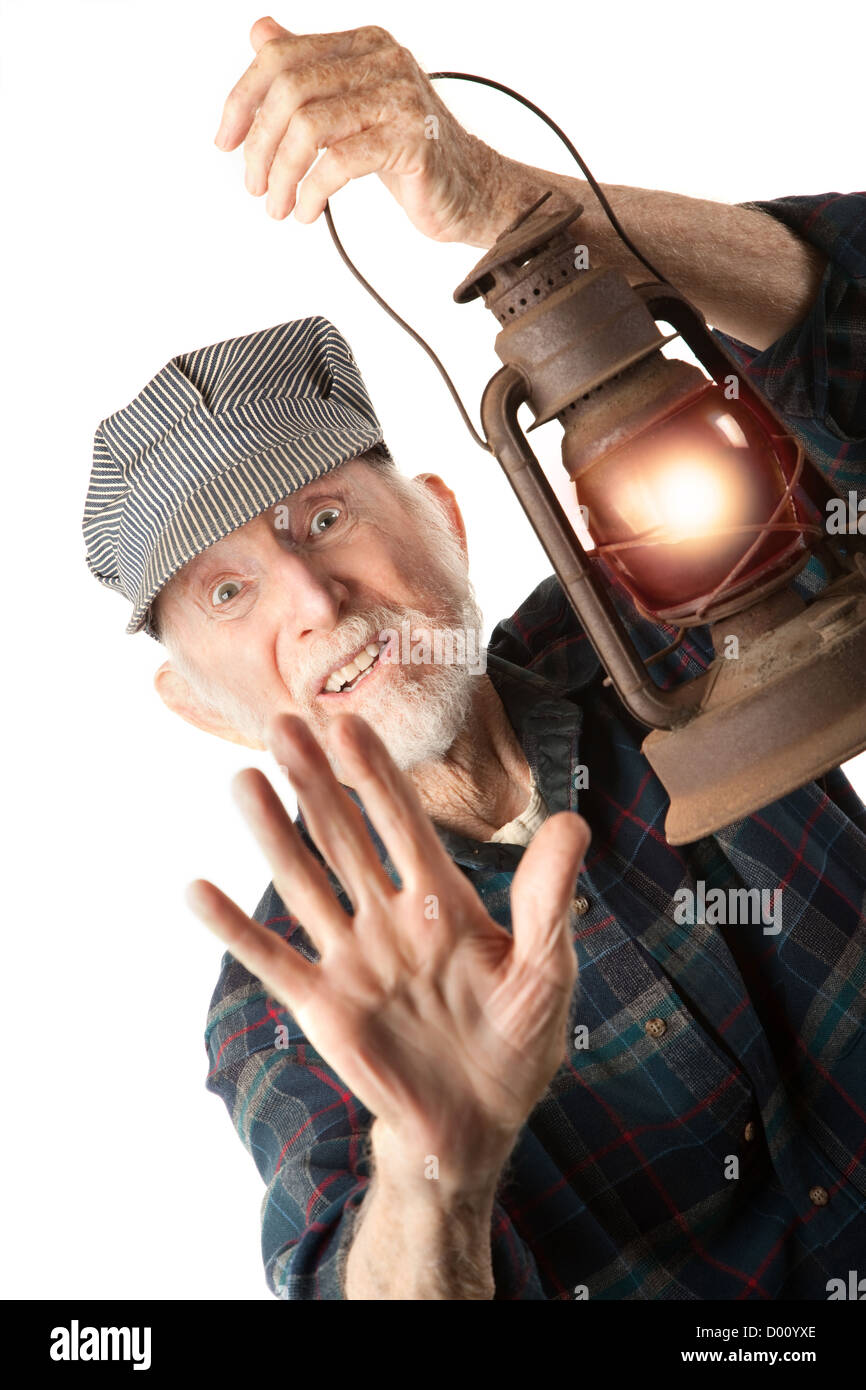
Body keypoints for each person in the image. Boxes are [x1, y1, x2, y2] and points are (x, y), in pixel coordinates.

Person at [83, 17, 866, 1300]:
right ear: (198, 705)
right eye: (227, 589)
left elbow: (836, 333)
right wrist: (431, 1168)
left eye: (323, 516)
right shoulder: (296, 1000)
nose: (313, 597)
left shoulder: (666, 589)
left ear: (445, 518)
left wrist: (519, 205)